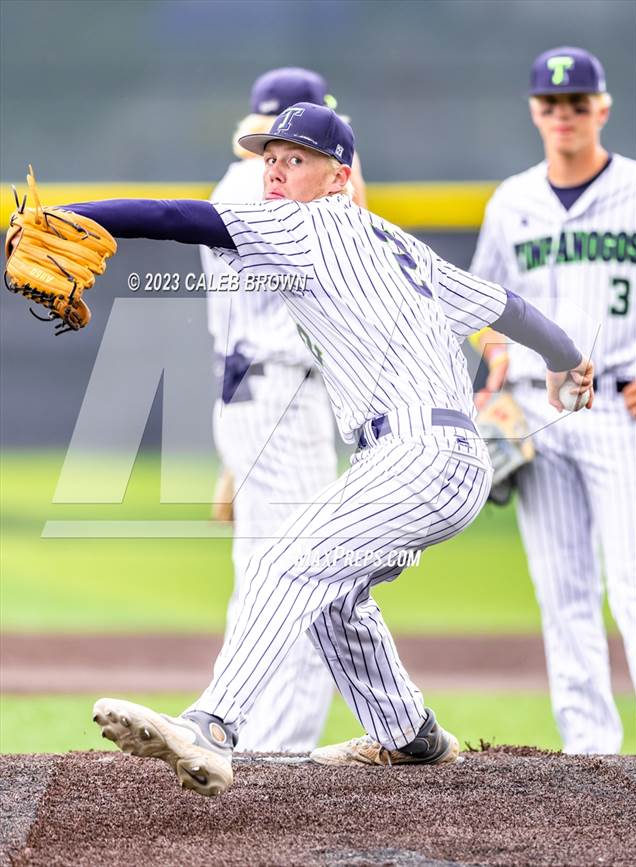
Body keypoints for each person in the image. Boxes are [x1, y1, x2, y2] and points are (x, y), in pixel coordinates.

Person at [65, 103, 593, 796]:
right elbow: (510, 309)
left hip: (421, 452)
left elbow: (173, 216)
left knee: (287, 558)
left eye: (296, 159)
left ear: (339, 176)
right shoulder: (400, 245)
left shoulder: (302, 224)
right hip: (428, 456)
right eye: (269, 159)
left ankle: (212, 725)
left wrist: (70, 215)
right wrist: (567, 362)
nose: (276, 172)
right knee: (333, 597)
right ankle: (409, 733)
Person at [470, 47, 636, 754]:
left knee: (634, 581)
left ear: (602, 108)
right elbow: (484, 307)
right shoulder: (512, 202)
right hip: (539, 412)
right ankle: (591, 754)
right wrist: (497, 366)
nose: (564, 114)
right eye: (551, 104)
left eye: (577, 103)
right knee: (563, 589)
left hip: (620, 407)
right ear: (535, 112)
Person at [201, 68, 367, 753]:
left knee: (260, 576)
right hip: (283, 393)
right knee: (312, 572)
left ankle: (238, 736)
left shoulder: (232, 184)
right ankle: (280, 749)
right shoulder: (285, 191)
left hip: (246, 397)